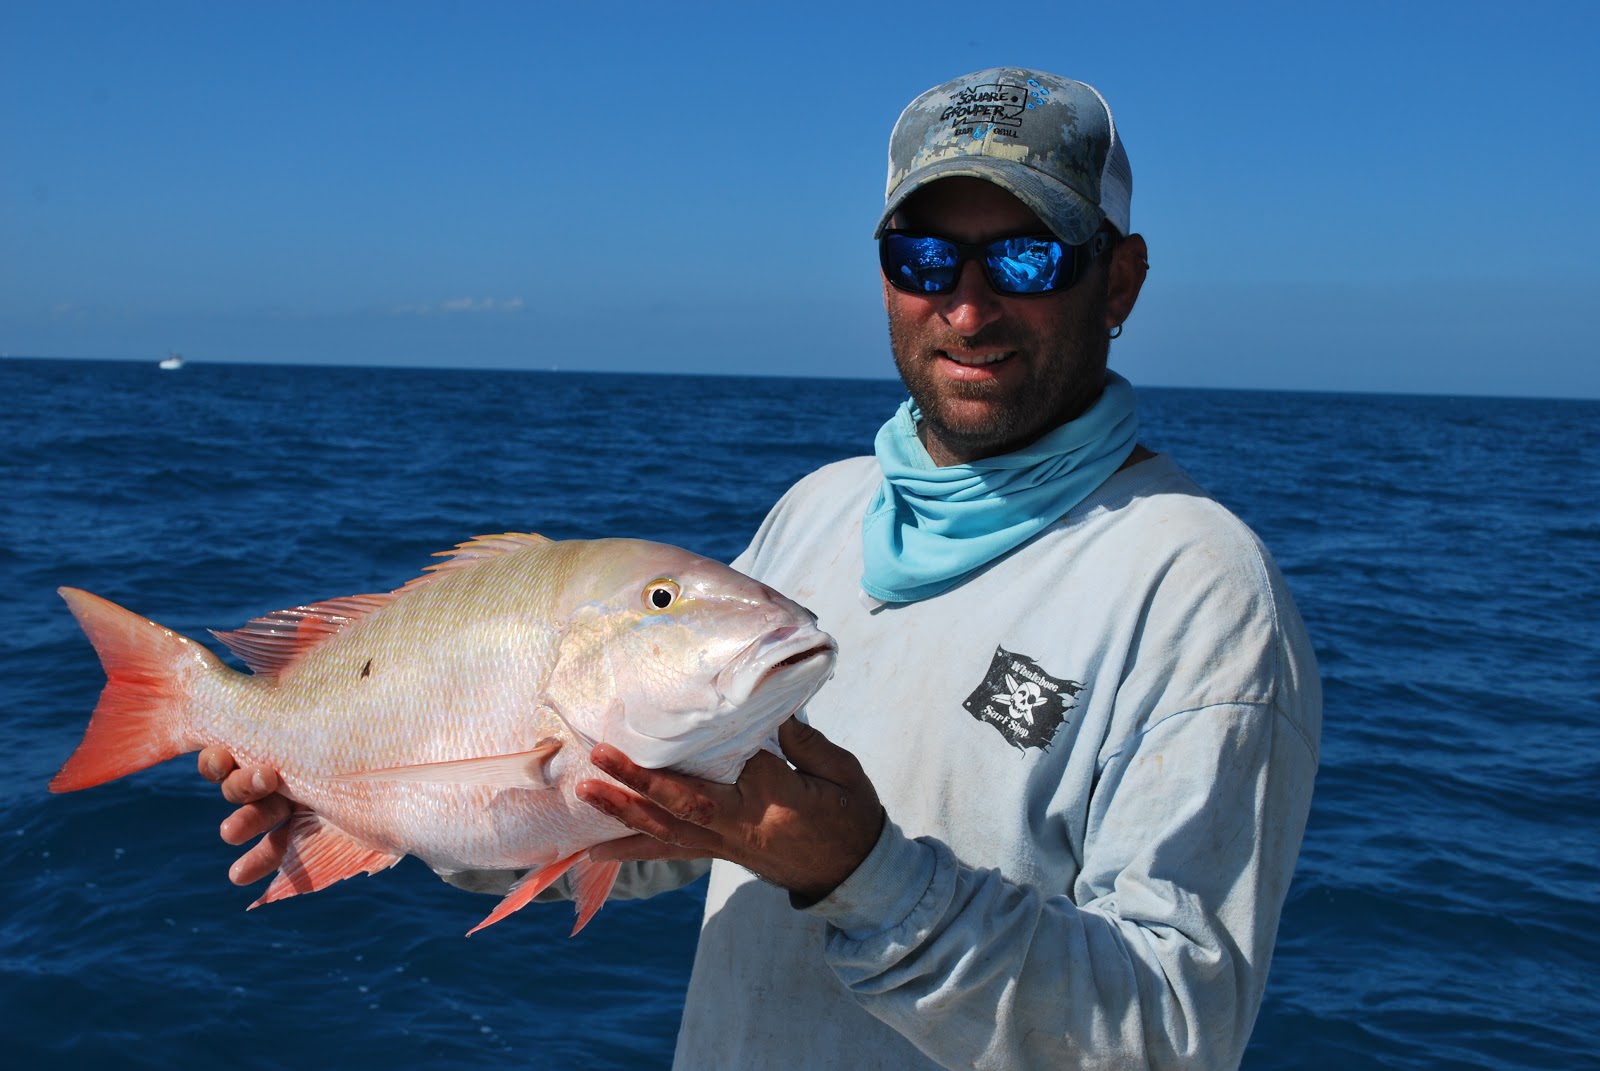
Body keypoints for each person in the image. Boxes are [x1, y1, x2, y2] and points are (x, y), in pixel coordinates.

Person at [202, 67, 1321, 1070]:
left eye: (1027, 257)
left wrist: (863, 875)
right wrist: (400, 803)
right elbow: (670, 831)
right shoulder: (819, 515)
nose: (968, 306)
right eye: (924, 257)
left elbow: (1174, 1035)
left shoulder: (1196, 586)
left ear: (1118, 282)